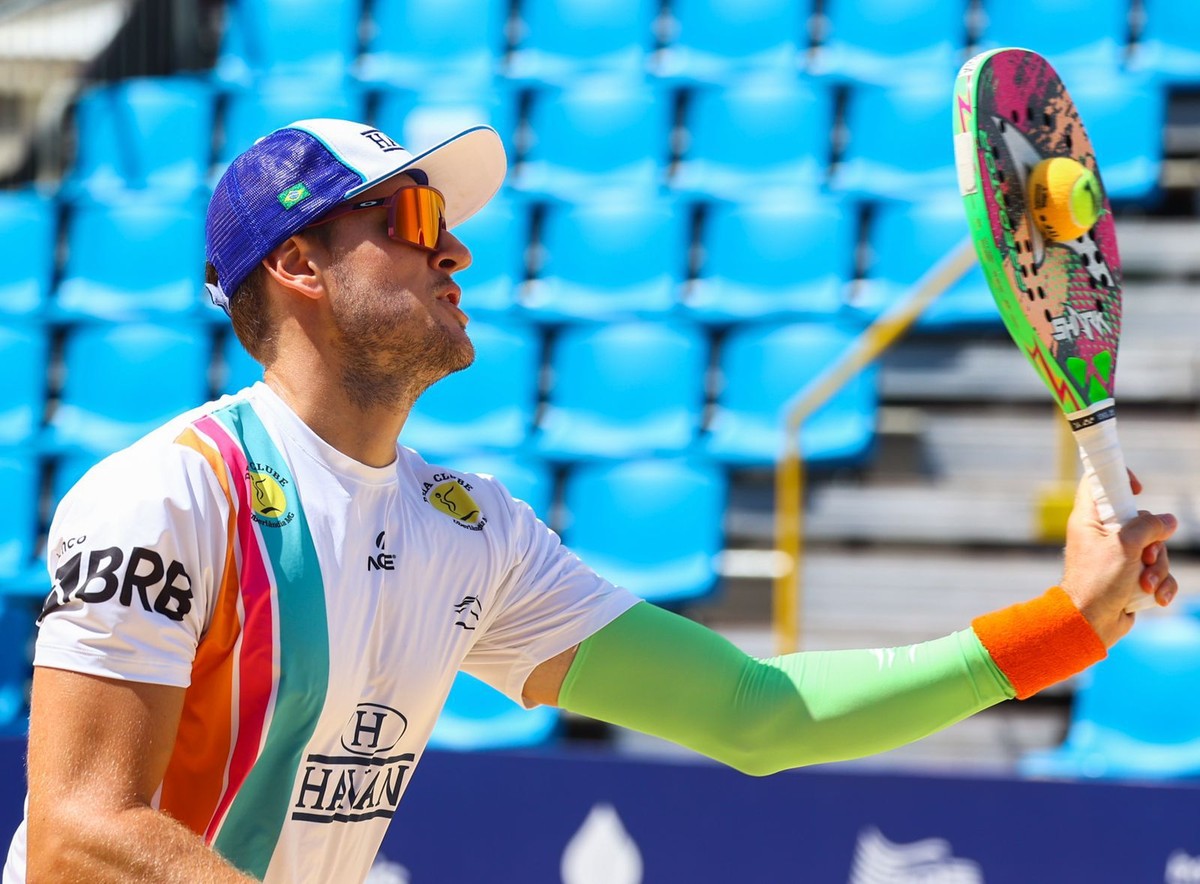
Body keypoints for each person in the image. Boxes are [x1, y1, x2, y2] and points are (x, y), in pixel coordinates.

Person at [3, 119, 1179, 884]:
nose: (454, 251)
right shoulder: (168, 494)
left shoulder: (472, 530)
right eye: (411, 222)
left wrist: (1064, 625)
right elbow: (74, 835)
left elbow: (760, 713)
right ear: (298, 267)